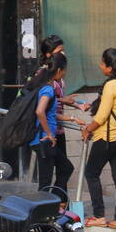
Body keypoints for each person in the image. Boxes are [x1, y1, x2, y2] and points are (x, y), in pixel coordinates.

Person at [81, 47, 116, 231]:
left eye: (103, 63)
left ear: (110, 68)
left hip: (106, 138)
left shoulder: (111, 86)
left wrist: (88, 128)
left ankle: (99, 215)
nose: (101, 66)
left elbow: (101, 116)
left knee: (91, 173)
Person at [31, 54, 84, 194]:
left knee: (65, 168)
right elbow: (40, 111)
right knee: (45, 182)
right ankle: (41, 212)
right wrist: (49, 133)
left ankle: (54, 204)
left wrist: (72, 119)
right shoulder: (48, 89)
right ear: (59, 70)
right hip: (43, 139)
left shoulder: (43, 86)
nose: (65, 74)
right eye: (65, 70)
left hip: (44, 139)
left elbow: (51, 114)